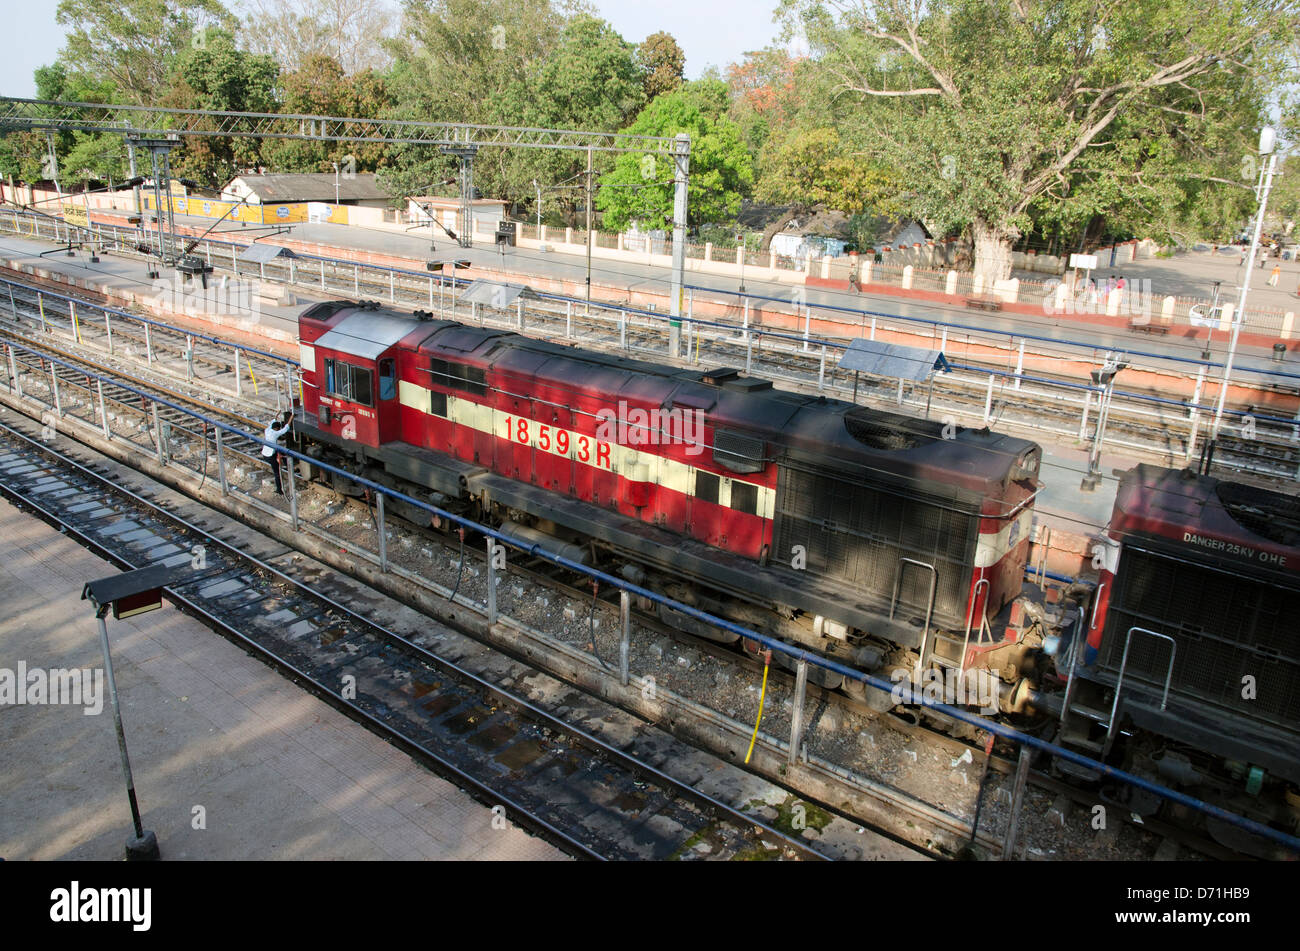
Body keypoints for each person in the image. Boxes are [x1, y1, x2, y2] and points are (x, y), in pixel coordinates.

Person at [262, 410, 292, 495]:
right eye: (278, 428)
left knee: (282, 452)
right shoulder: (275, 433)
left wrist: (277, 414)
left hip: (266, 452)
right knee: (277, 472)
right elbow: (285, 429)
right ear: (276, 428)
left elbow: (273, 421)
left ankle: (286, 463)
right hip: (270, 455)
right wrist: (291, 418)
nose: (278, 430)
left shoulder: (267, 430)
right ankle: (279, 489)